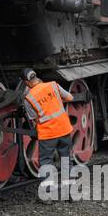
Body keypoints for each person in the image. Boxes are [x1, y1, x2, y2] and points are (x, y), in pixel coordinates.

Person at [20, 68, 75, 198]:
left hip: (48, 134)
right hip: (64, 129)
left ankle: (49, 194)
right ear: (36, 77)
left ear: (26, 83)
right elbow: (70, 97)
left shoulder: (29, 98)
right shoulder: (53, 85)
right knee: (67, 160)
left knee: (46, 163)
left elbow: (35, 119)